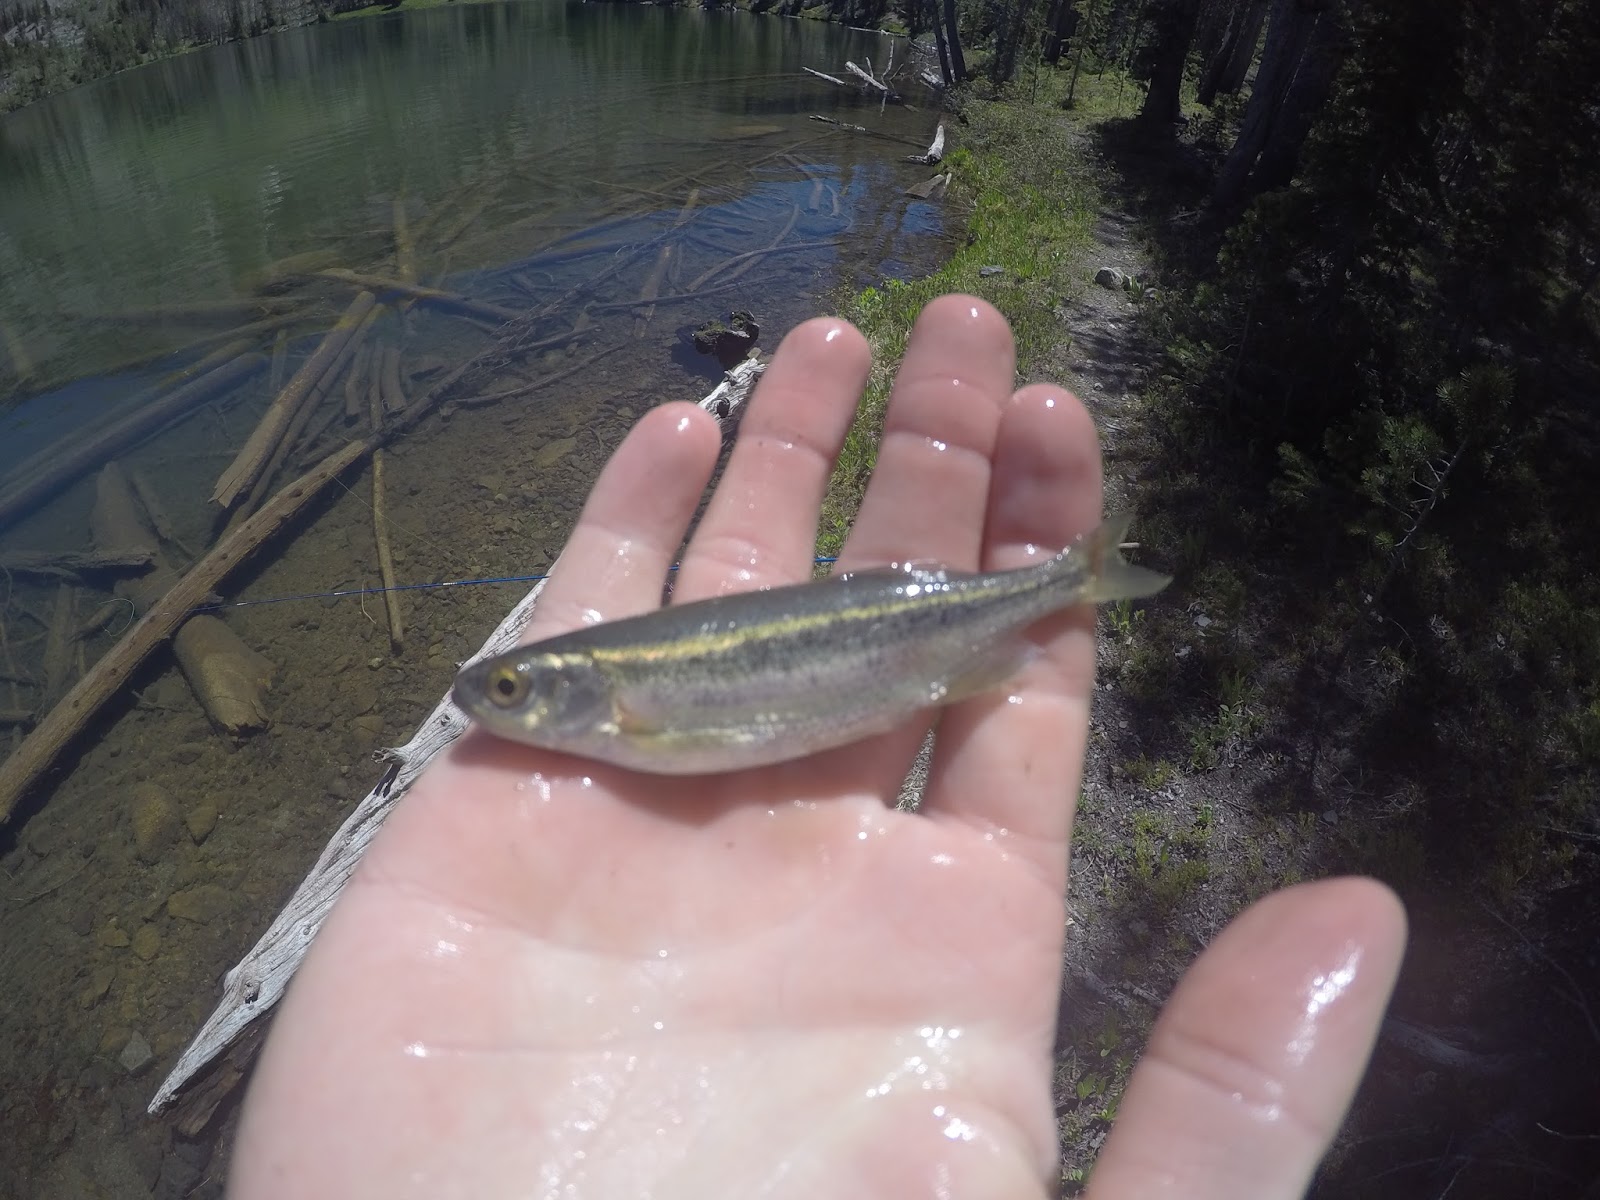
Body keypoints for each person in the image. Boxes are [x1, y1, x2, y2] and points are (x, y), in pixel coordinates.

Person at [229, 295, 1406, 1199]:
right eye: (507, 689)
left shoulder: (629, 705)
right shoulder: (615, 719)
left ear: (583, 690)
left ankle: (1068, 577)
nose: (495, 702)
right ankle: (1065, 579)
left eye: (515, 687)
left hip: (932, 623)